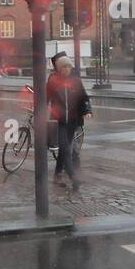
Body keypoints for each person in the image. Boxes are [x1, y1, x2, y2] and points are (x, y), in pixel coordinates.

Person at [47, 52, 92, 191]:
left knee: (64, 149)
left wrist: (87, 111)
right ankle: (74, 177)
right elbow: (45, 96)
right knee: (66, 149)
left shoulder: (75, 80)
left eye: (69, 67)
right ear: (59, 68)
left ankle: (57, 174)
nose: (67, 69)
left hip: (72, 121)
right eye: (64, 67)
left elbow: (83, 97)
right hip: (58, 121)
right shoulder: (53, 80)